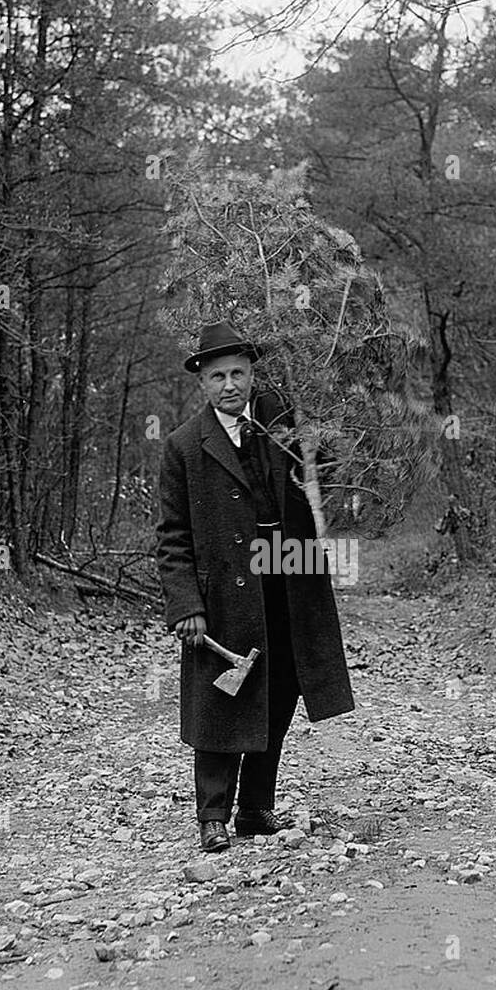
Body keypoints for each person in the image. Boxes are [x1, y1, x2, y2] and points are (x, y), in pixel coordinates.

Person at [156, 320, 355, 852]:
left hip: (288, 572)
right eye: (218, 375)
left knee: (281, 687)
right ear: (201, 382)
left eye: (239, 373)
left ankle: (254, 809)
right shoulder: (183, 447)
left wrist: (326, 440)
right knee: (222, 696)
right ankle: (212, 816)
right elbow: (172, 537)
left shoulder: (282, 425)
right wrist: (186, 606)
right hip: (224, 589)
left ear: (252, 375)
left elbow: (325, 467)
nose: (229, 385)